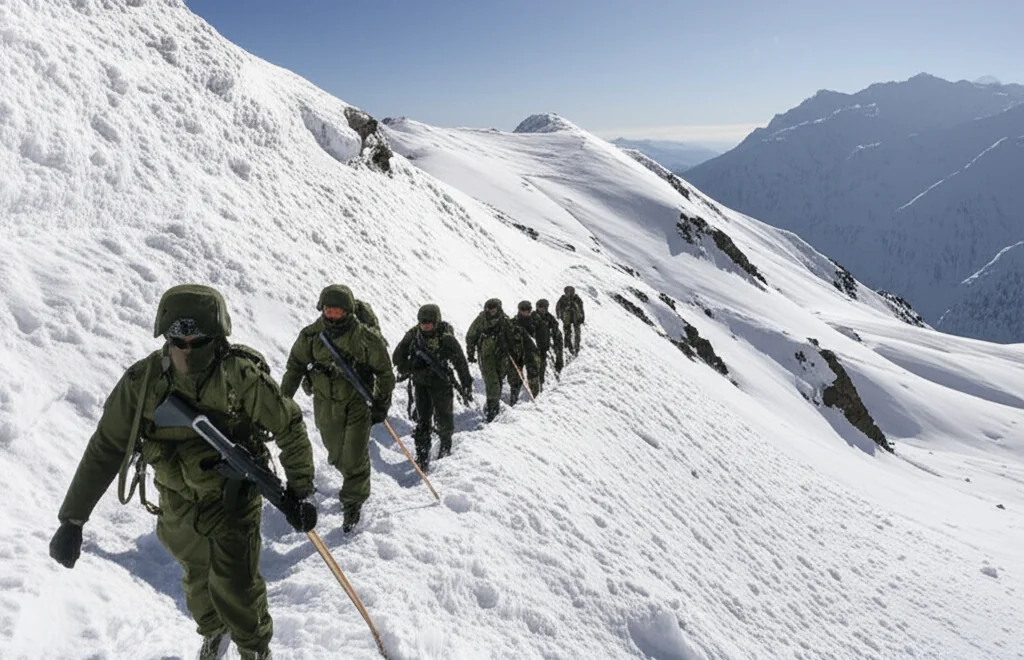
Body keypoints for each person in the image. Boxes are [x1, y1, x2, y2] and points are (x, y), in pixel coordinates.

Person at [48, 284, 316, 660]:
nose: (188, 349)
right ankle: (213, 632)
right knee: (196, 580)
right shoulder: (143, 384)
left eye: (199, 341)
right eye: (179, 341)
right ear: (166, 337)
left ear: (217, 336)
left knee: (236, 585)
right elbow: (107, 446)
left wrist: (300, 491)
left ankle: (254, 650)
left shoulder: (240, 377)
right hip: (176, 500)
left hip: (233, 497)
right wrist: (72, 519)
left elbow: (288, 424)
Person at [280, 285, 395, 533]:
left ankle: (353, 502)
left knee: (353, 454)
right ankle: (352, 477)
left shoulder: (365, 339)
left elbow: (385, 372)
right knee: (335, 452)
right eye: (327, 311)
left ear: (348, 312)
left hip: (356, 403)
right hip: (324, 403)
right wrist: (282, 401)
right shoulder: (311, 336)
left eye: (337, 312)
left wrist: (382, 402)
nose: (331, 316)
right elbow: (294, 367)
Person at [392, 304, 473, 471]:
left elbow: (461, 362)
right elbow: (397, 357)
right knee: (423, 420)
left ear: (436, 322)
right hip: (421, 384)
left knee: (444, 419)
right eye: (423, 322)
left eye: (429, 322)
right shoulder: (413, 335)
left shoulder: (446, 338)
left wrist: (466, 384)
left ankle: (445, 450)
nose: (426, 325)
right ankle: (422, 455)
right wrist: (411, 365)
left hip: (441, 383)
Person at [465, 298, 539, 422]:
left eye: (494, 309)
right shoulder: (481, 320)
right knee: (492, 383)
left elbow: (513, 335)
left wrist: (513, 347)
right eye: (489, 309)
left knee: (510, 377)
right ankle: (492, 412)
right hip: (487, 356)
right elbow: (471, 336)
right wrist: (470, 351)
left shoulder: (505, 321)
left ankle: (513, 401)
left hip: (502, 355)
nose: (492, 311)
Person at [533, 298, 564, 388]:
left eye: (545, 307)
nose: (542, 309)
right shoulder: (532, 316)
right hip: (532, 347)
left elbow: (557, 334)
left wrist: (558, 353)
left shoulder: (549, 318)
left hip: (543, 347)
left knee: (542, 367)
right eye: (540, 306)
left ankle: (540, 385)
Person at [555, 285, 585, 356]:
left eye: (571, 291)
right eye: (568, 291)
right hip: (567, 319)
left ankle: (576, 347)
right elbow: (558, 307)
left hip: (575, 319)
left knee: (577, 334)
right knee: (567, 333)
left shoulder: (577, 299)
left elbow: (581, 309)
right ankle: (569, 347)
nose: (569, 293)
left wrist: (582, 318)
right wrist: (560, 315)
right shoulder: (563, 299)